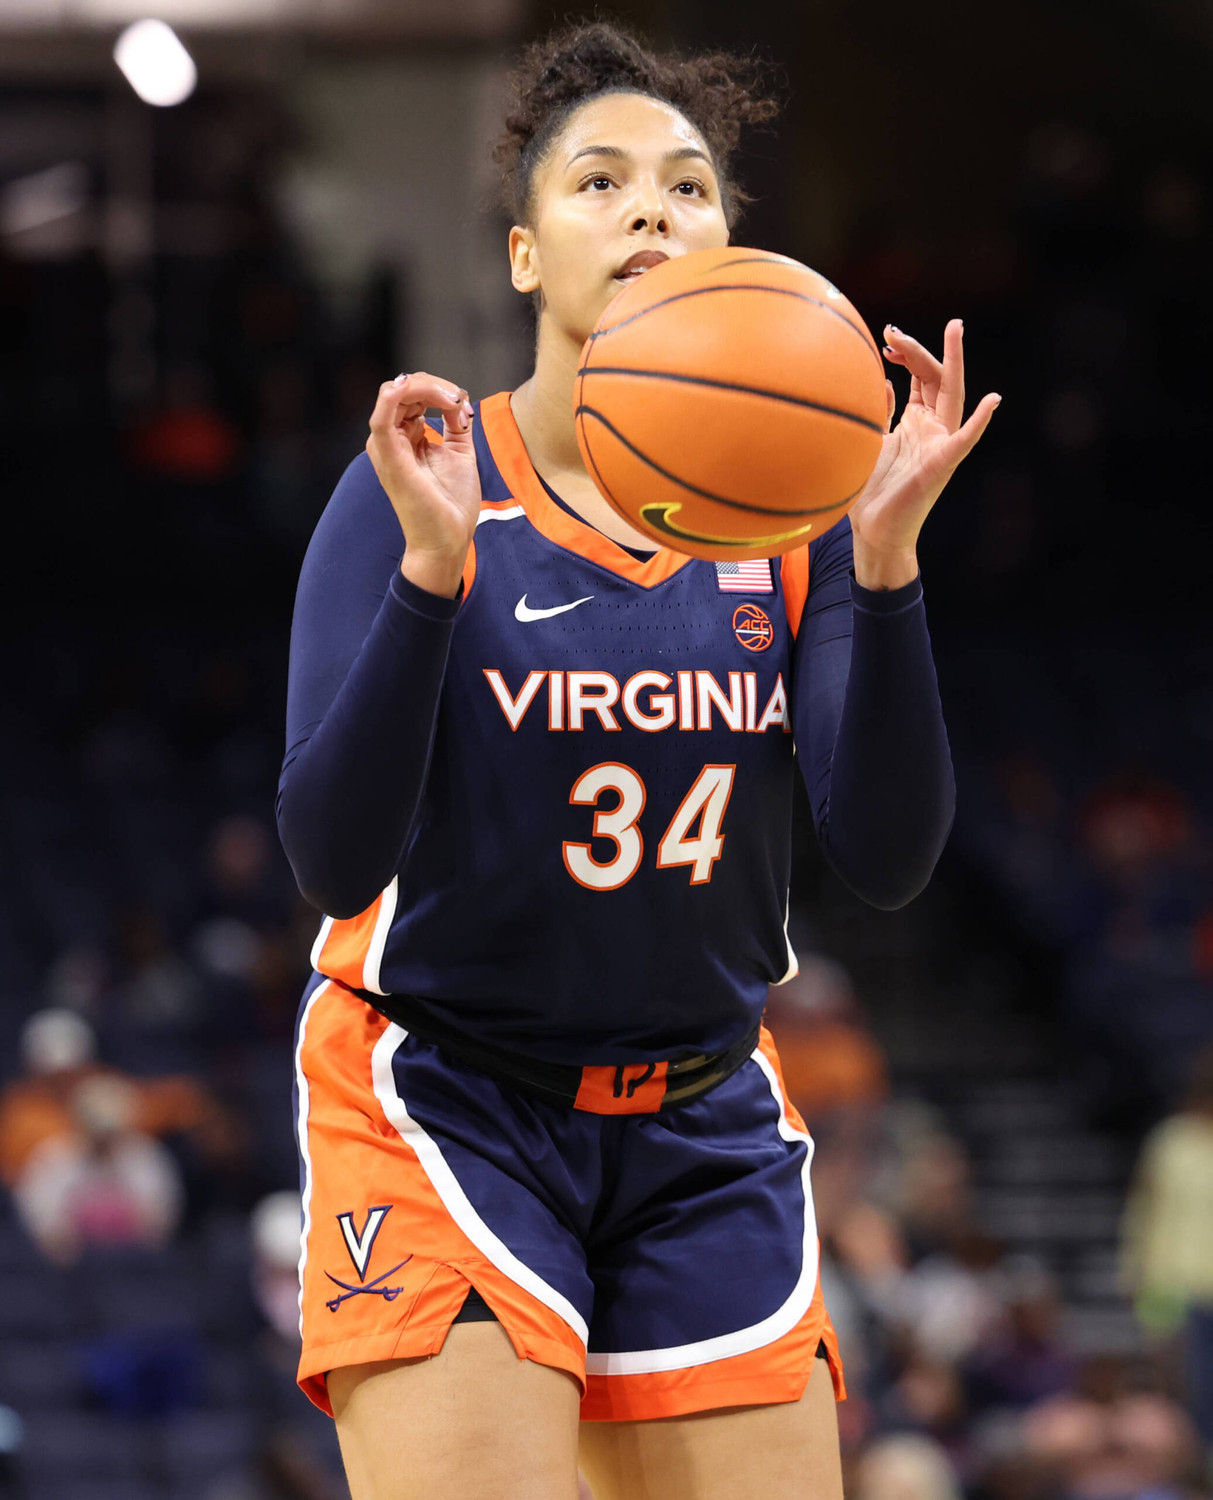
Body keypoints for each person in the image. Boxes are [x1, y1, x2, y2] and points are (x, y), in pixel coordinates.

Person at [276, 21, 999, 1500]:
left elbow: (887, 853)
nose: (652, 209)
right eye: (598, 183)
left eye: (685, 185)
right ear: (528, 253)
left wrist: (885, 558)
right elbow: (330, 858)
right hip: (453, 1104)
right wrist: (428, 575)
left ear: (731, 240)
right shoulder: (420, 480)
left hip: (703, 1118)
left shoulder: (800, 523)